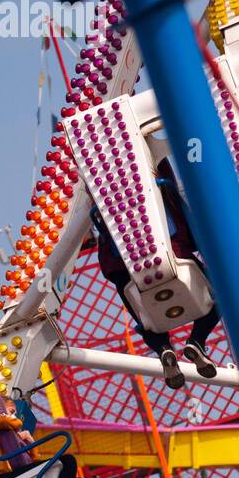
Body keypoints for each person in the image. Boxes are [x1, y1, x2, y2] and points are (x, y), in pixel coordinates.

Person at [90, 159, 219, 390]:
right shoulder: (155, 177)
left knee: (146, 320)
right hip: (171, 252)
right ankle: (197, 340)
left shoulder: (98, 184)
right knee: (220, 295)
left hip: (124, 268)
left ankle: (163, 350)